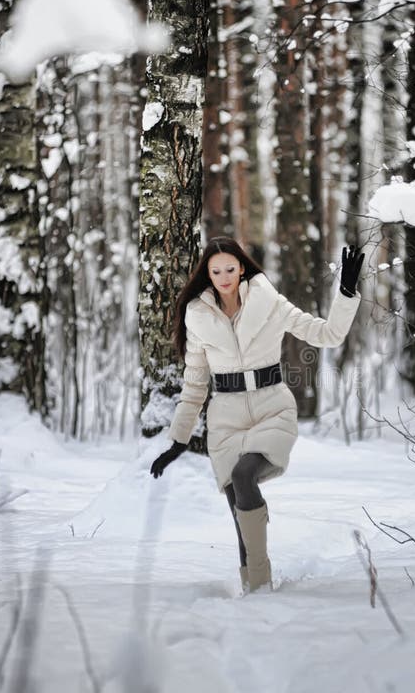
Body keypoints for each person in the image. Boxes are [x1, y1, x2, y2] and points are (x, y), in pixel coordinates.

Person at [150, 236, 364, 593]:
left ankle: (262, 583)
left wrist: (345, 292)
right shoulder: (198, 316)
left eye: (230, 269)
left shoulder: (268, 300)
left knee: (244, 474)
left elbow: (328, 334)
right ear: (207, 273)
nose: (223, 277)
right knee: (238, 504)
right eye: (215, 271)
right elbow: (195, 384)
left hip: (271, 408)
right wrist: (178, 441)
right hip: (226, 418)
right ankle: (252, 587)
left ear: (242, 268)